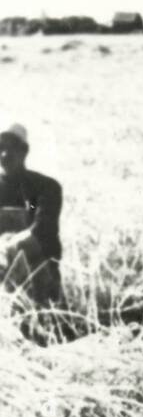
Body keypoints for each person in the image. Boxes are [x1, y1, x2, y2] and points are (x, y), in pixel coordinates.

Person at [0, 122, 69, 341]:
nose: (4, 154)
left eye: (10, 147)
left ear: (24, 151)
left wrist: (8, 248)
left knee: (49, 338)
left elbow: (42, 230)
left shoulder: (46, 187)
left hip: (38, 276)